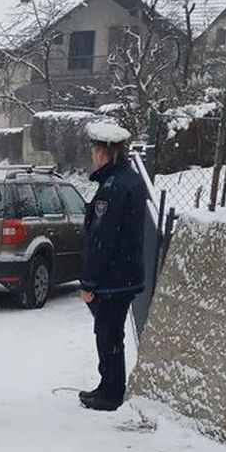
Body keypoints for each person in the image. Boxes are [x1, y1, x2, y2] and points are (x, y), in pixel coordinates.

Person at [78, 128, 146, 412]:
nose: (92, 158)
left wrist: (89, 283)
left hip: (112, 277)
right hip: (124, 273)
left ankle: (111, 392)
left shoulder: (113, 187)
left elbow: (102, 238)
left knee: (108, 334)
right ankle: (108, 386)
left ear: (103, 153)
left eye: (94, 153)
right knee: (109, 333)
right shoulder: (129, 180)